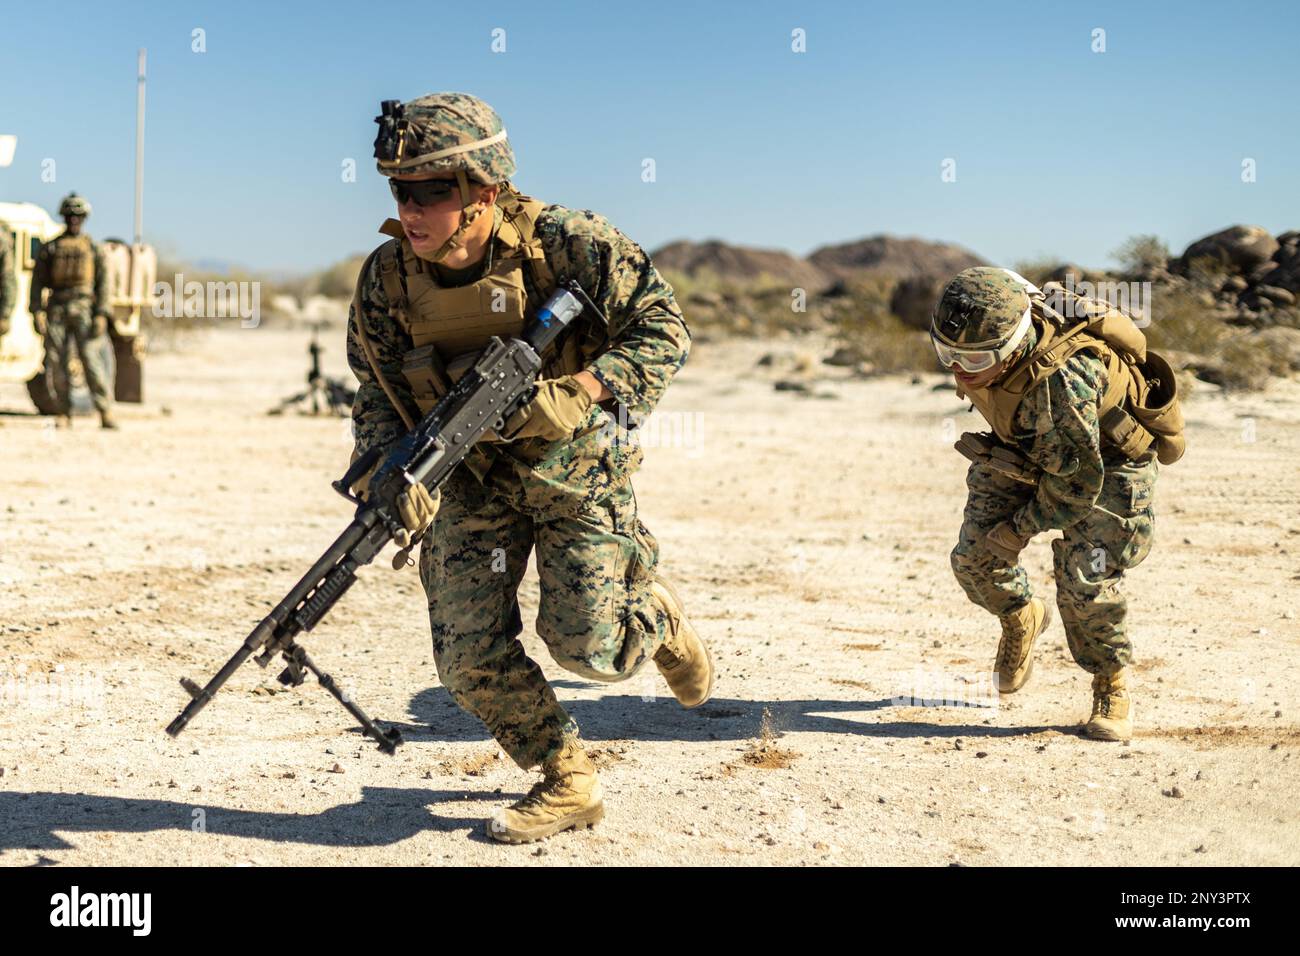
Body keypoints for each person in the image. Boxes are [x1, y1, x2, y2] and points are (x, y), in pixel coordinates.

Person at [346, 93, 713, 842]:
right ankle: (566, 775)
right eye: (398, 191)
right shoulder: (387, 281)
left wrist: (581, 391)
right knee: (467, 659)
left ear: (484, 189)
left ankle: (657, 615)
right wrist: (385, 471)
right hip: (468, 480)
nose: (411, 210)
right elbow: (375, 390)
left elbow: (663, 329)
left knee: (592, 651)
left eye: (432, 191)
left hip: (572, 468)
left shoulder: (569, 242)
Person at [933, 267, 1184, 742]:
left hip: (1106, 466)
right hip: (1033, 444)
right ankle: (1022, 616)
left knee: (1086, 582)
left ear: (1013, 347)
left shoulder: (1060, 384)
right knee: (973, 560)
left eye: (975, 358)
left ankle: (1111, 682)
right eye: (946, 353)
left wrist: (1018, 530)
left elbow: (1075, 489)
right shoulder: (984, 333)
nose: (958, 370)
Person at [29, 193, 116, 429]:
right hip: (57, 309)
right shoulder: (52, 248)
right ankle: (63, 412)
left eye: (78, 216)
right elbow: (37, 282)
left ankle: (105, 411)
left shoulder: (93, 250)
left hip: (84, 309)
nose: (73, 220)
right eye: (70, 216)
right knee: (57, 363)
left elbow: (104, 284)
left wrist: (101, 314)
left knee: (91, 360)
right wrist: (36, 311)